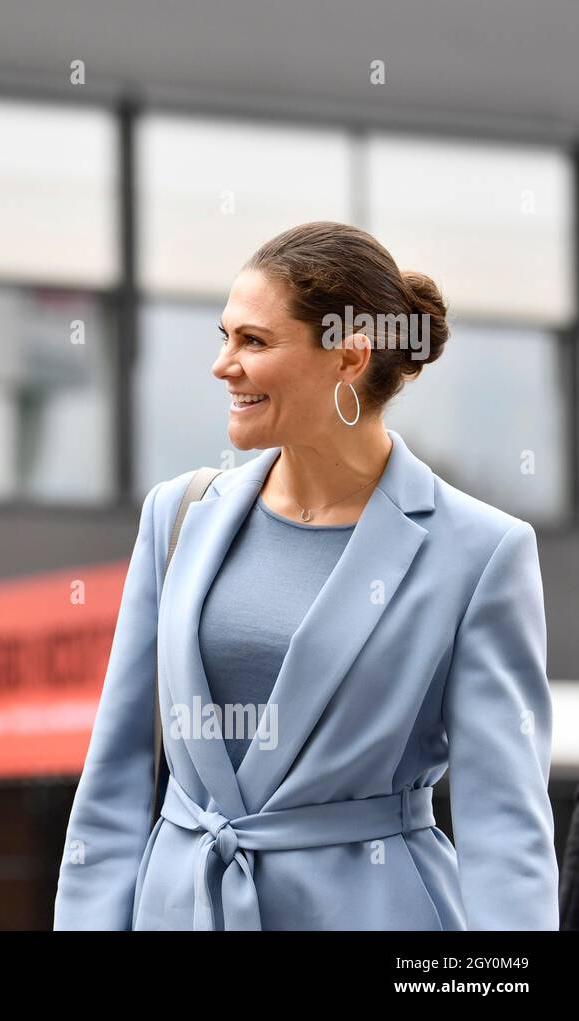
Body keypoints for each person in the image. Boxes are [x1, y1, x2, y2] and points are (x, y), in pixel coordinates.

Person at [54, 221, 557, 930]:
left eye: (253, 341)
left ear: (349, 357)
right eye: (224, 336)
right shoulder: (178, 516)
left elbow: (505, 829)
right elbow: (112, 783)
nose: (223, 364)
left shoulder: (480, 552)